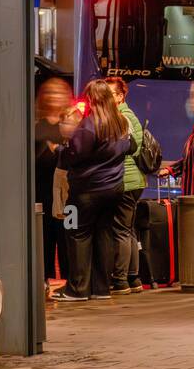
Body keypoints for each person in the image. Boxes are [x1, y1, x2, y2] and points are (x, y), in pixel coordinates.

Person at [50, 79, 134, 302]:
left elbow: (73, 156)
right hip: (113, 190)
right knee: (104, 234)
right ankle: (101, 288)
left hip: (85, 192)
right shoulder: (121, 123)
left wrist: (59, 149)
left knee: (75, 232)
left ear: (91, 99)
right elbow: (131, 147)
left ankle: (77, 289)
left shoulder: (89, 125)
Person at [105, 76, 146, 296]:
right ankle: (133, 277)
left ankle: (120, 280)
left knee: (120, 230)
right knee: (128, 230)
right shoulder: (128, 115)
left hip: (125, 179)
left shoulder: (122, 117)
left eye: (110, 94)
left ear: (120, 96)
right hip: (133, 179)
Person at [34, 77, 75, 285]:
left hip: (68, 194)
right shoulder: (35, 127)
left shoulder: (70, 124)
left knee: (69, 234)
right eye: (49, 93)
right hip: (42, 191)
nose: (54, 97)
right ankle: (43, 278)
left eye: (58, 93)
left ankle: (72, 279)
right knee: (44, 236)